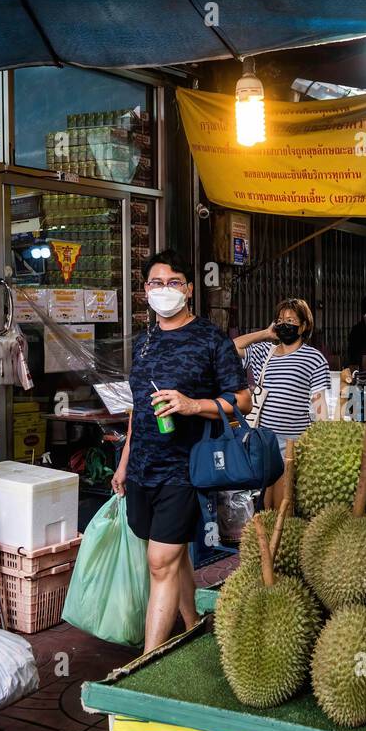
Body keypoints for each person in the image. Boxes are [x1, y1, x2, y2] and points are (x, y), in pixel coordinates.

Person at [111, 250, 251, 653]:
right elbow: (139, 408)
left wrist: (194, 405)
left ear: (189, 290)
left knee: (159, 561)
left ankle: (149, 658)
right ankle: (193, 625)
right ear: (145, 292)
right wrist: (123, 462)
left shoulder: (210, 338)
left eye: (174, 283)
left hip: (187, 467)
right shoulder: (144, 342)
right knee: (171, 557)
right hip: (142, 468)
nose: (165, 290)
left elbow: (241, 400)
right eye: (157, 283)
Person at [233, 298, 331, 510]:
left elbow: (319, 404)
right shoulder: (263, 352)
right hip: (263, 440)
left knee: (284, 505)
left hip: (293, 442)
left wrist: (323, 440)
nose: (284, 324)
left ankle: (282, 540)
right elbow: (232, 347)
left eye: (291, 320)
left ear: (303, 326)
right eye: (280, 320)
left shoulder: (314, 358)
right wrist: (265, 334)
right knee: (262, 505)